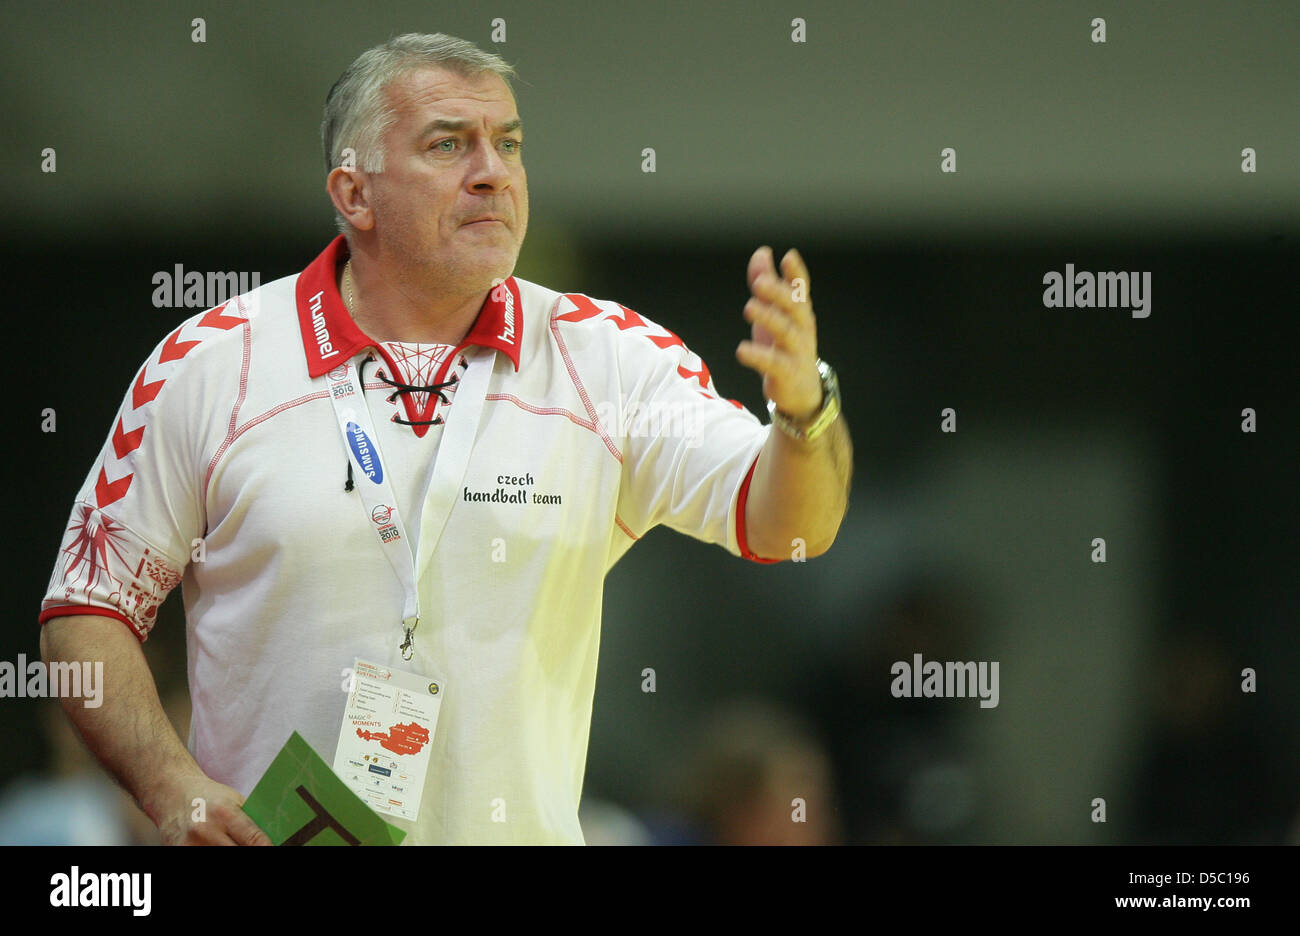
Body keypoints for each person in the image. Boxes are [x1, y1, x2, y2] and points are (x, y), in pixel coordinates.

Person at [38, 33, 852, 845]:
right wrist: (170, 786)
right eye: (448, 144)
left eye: (509, 143)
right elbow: (85, 612)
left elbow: (791, 526)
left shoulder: (607, 359)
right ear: (354, 194)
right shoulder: (211, 366)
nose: (492, 170)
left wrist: (804, 414)